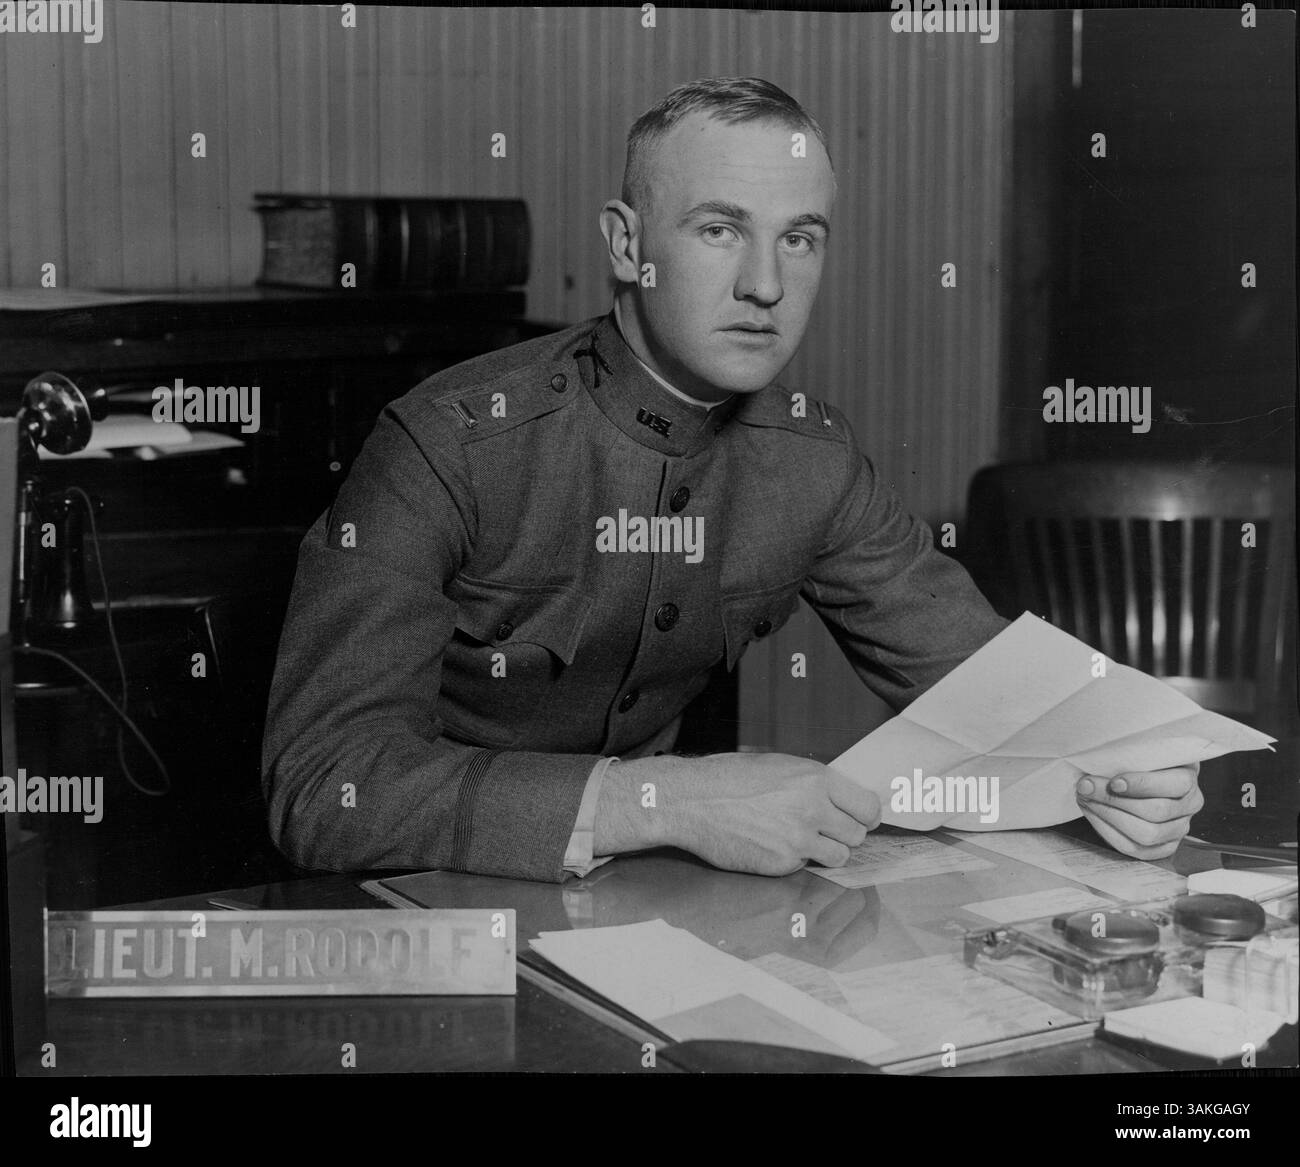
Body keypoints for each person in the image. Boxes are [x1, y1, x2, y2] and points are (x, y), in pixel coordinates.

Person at [262, 77, 1202, 884]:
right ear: (629, 246)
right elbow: (323, 786)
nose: (766, 284)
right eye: (720, 229)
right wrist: (662, 798)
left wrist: (1128, 768)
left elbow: (996, 695)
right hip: (427, 907)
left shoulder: (812, 462)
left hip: (650, 904)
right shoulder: (449, 444)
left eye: (801, 238)